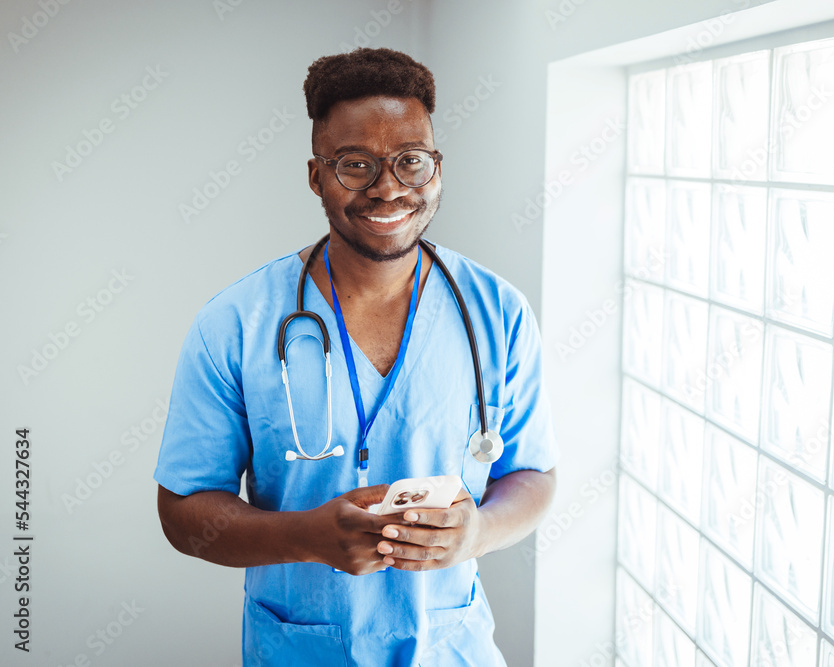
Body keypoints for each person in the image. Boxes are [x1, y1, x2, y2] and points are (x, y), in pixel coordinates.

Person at [154, 47, 558, 666]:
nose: (388, 187)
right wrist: (306, 537)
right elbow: (184, 512)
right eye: (355, 165)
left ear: (437, 169)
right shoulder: (235, 323)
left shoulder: (498, 313)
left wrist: (478, 531)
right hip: (299, 649)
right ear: (316, 177)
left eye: (411, 161)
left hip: (451, 647)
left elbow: (532, 475)